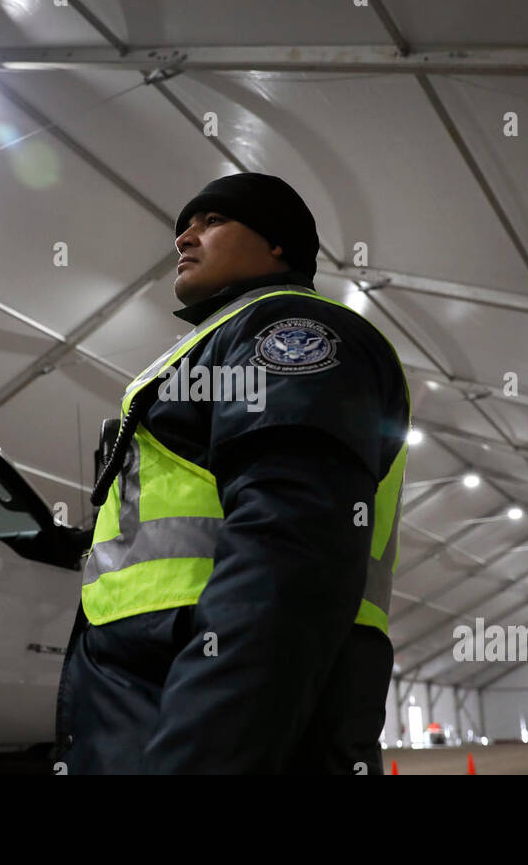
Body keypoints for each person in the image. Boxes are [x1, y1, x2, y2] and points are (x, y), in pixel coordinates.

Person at [54, 173, 411, 774]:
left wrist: (206, 749)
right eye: (184, 227)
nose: (185, 238)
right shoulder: (208, 348)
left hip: (216, 706)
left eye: (212, 222)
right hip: (154, 698)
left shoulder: (288, 330)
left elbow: (292, 550)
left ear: (279, 245)